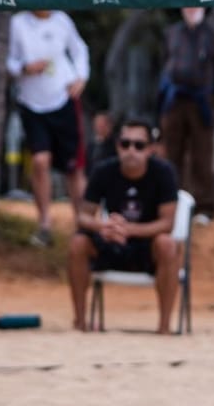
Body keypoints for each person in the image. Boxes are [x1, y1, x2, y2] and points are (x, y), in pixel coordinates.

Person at [69, 117, 182, 333]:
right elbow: (82, 216)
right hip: (111, 243)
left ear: (150, 149)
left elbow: (168, 223)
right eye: (125, 144)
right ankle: (80, 322)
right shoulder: (103, 171)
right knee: (78, 243)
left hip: (147, 248)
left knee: (168, 245)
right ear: (117, 146)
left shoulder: (164, 173)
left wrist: (130, 229)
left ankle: (164, 326)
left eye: (139, 145)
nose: (131, 150)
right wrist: (104, 227)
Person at [5, 0, 91, 247]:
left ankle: (84, 225)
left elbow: (80, 50)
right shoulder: (18, 23)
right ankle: (44, 224)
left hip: (63, 100)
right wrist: (24, 68)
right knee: (40, 162)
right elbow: (7, 60)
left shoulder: (62, 20)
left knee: (73, 168)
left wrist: (81, 77)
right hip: (32, 102)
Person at [158, 6, 214, 216]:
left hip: (201, 99)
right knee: (171, 152)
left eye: (196, 5)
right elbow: (165, 61)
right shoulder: (172, 33)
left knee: (202, 154)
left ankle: (204, 206)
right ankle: (169, 202)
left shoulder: (213, 35)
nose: (191, 9)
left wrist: (211, 93)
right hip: (175, 99)